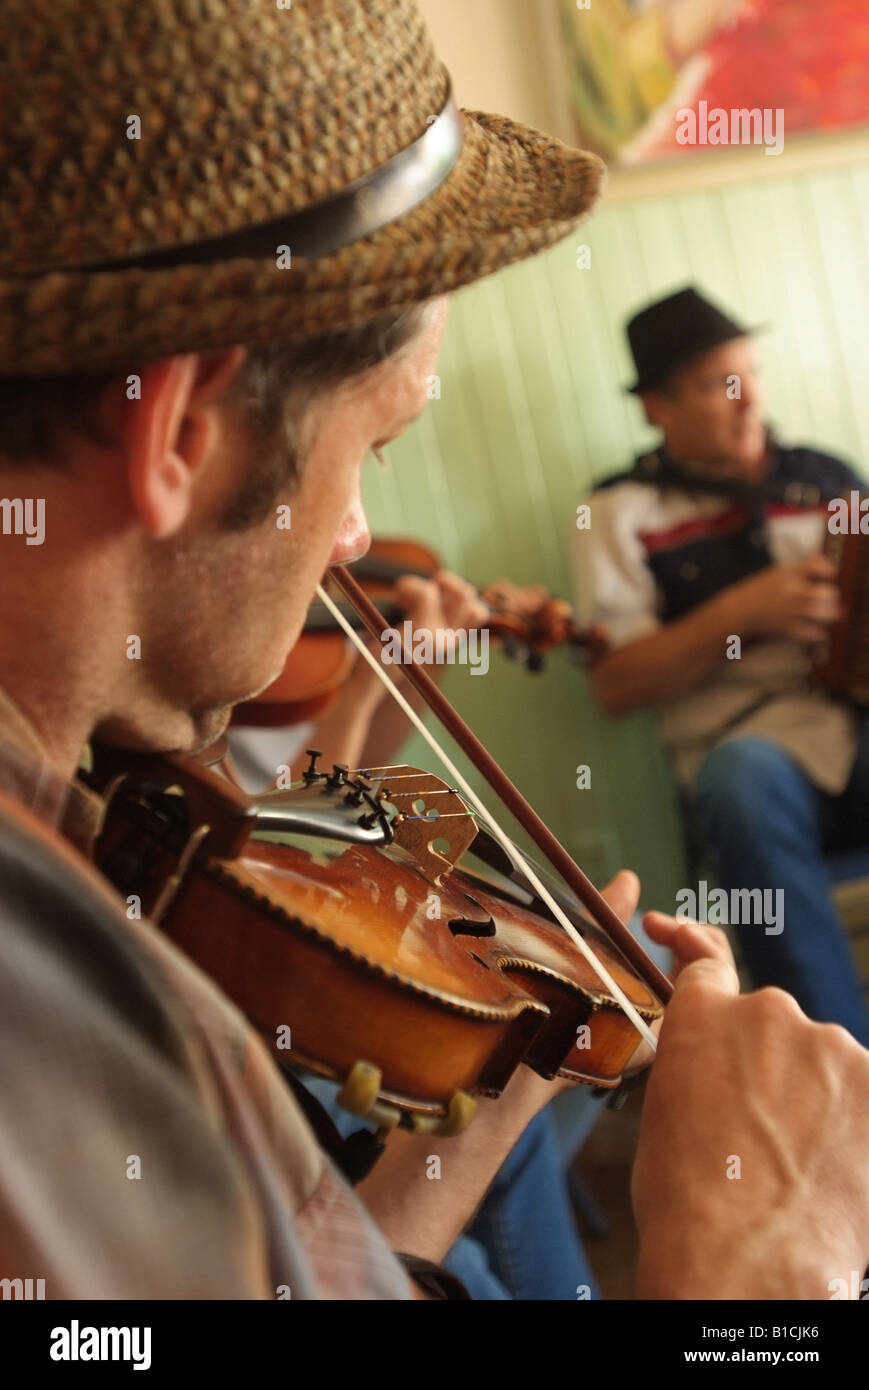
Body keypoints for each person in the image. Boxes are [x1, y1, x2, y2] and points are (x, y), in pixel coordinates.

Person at [1, 1, 868, 1301]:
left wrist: (497, 1092)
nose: (358, 537)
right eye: (379, 444)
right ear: (175, 427)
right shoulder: (46, 997)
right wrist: (753, 1275)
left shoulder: (74, 818)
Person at [574, 286, 869, 1047]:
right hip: (755, 751)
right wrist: (742, 614)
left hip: (856, 728)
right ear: (655, 407)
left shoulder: (827, 477)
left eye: (751, 375)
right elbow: (616, 684)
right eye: (716, 385)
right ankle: (845, 1075)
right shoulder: (618, 510)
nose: (747, 402)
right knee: (738, 780)